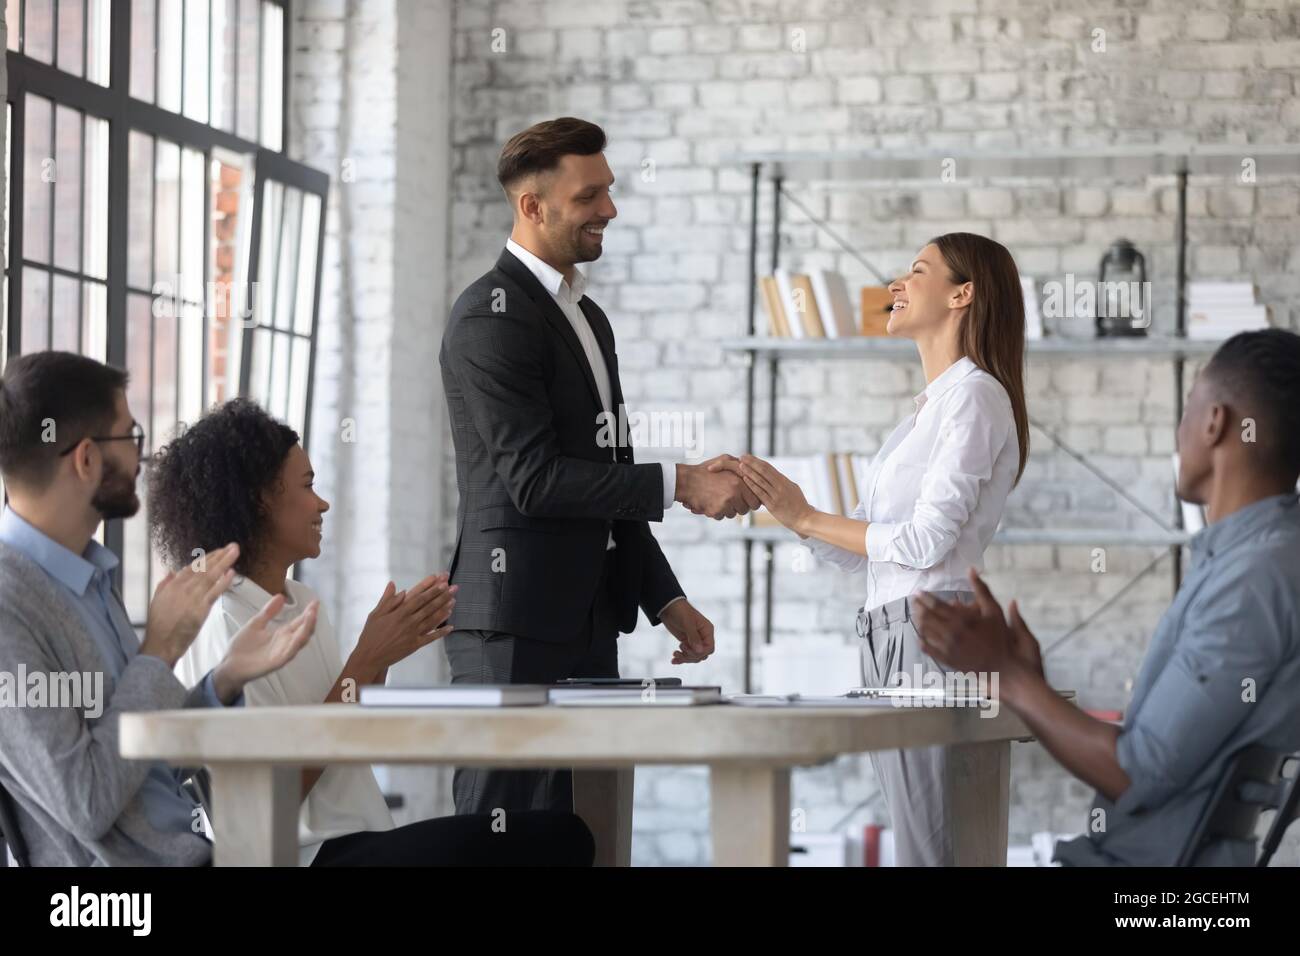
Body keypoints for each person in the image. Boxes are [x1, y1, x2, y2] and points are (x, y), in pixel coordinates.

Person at [438, 116, 758, 816]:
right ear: (533, 206)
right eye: (589, 196)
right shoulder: (490, 317)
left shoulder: (590, 318)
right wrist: (681, 482)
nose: (609, 209)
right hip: (514, 627)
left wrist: (663, 599)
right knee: (500, 844)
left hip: (588, 622)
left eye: (607, 191)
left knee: (582, 831)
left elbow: (603, 476)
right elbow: (537, 480)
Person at [149, 398, 596, 866]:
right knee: (556, 840)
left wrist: (380, 656)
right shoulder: (224, 622)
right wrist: (365, 662)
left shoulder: (301, 602)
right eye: (307, 485)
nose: (322, 503)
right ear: (261, 498)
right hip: (300, 857)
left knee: (564, 835)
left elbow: (344, 736)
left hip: (359, 836)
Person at [913, 329, 1300, 866]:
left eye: (1188, 409)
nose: (1179, 430)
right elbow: (1162, 755)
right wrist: (1030, 682)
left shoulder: (1254, 579)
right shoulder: (1259, 558)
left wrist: (1007, 673)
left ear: (1215, 422)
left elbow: (1135, 774)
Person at [715, 233, 1029, 866]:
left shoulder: (975, 397)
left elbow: (924, 543)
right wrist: (797, 517)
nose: (896, 283)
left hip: (933, 630)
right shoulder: (920, 416)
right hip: (890, 632)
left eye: (917, 271)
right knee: (924, 840)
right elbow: (867, 554)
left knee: (933, 848)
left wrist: (809, 515)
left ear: (962, 294)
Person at [0, 351, 316, 866]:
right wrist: (160, 650)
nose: (141, 457)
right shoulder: (8, 606)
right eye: (131, 436)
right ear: (86, 459)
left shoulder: (90, 577)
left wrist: (225, 680)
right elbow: (87, 800)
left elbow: (147, 758)